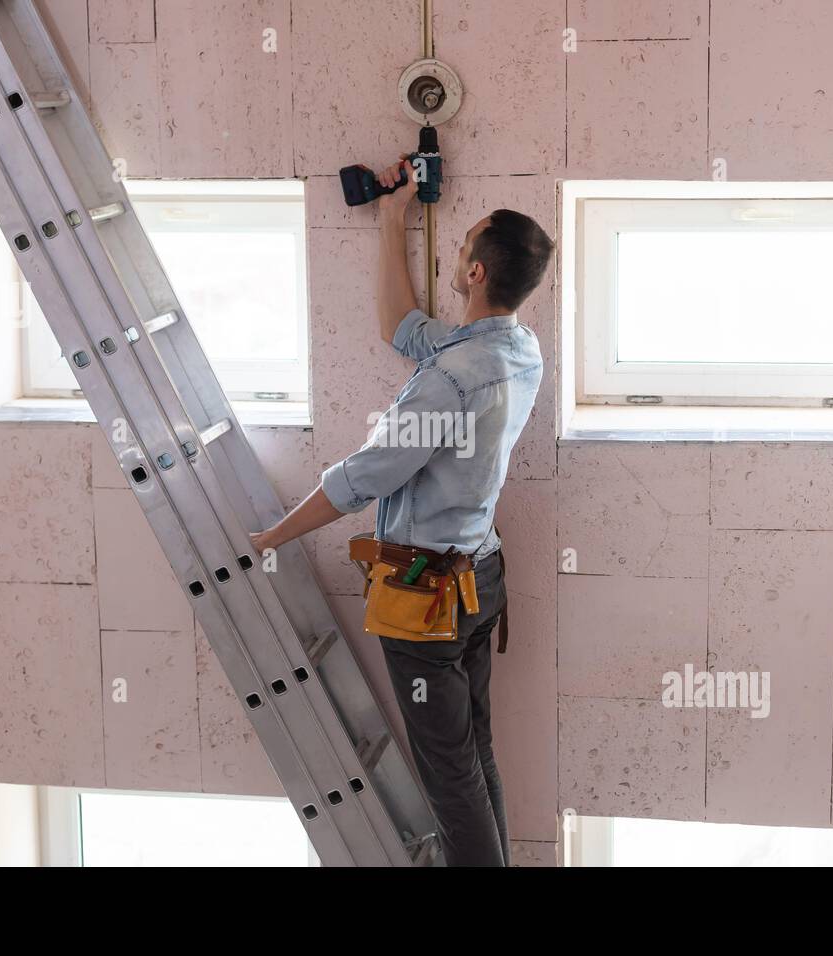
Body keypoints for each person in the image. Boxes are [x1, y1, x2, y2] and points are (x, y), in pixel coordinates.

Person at [248, 155, 553, 866]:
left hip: (427, 597)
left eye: (462, 244)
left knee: (450, 775)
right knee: (472, 755)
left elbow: (364, 478)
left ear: (476, 271)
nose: (456, 250)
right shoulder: (514, 350)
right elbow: (403, 327)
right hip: (480, 577)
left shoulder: (449, 379)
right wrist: (393, 219)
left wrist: (274, 535)